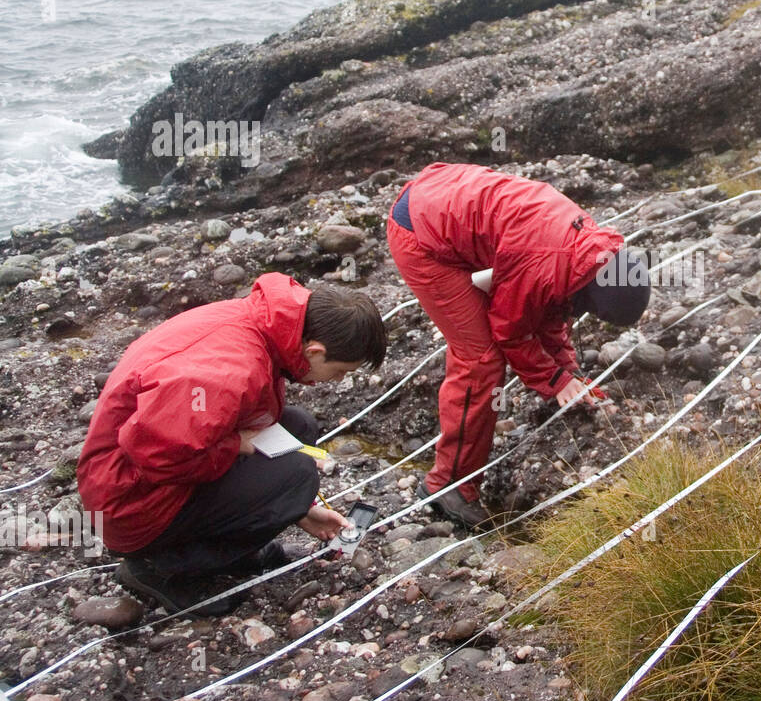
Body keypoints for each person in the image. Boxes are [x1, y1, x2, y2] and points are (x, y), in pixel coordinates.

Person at [77, 273, 387, 617]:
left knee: (298, 429)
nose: (338, 380)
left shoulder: (264, 325)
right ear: (315, 350)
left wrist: (301, 511)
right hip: (128, 503)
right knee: (298, 475)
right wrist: (235, 444)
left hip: (143, 472)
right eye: (341, 371)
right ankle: (159, 566)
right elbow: (157, 457)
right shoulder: (232, 371)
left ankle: (231, 552)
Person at [387, 162, 651, 529]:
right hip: (421, 233)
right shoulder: (543, 264)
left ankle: (454, 476)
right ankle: (448, 484)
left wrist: (568, 373)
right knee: (480, 358)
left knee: (505, 327)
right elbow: (510, 329)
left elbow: (548, 309)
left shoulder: (587, 251)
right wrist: (553, 379)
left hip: (440, 195)